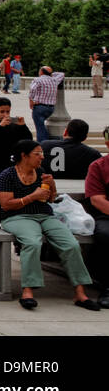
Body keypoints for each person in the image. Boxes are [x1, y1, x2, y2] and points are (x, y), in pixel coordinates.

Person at [0, 140, 100, 310]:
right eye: (37, 154)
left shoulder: (41, 172)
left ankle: (80, 292)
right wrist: (31, 197)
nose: (42, 157)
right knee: (32, 242)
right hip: (17, 217)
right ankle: (28, 290)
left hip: (44, 215)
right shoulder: (7, 175)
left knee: (71, 244)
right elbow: (6, 204)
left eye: (42, 153)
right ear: (24, 155)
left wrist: (52, 187)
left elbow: (50, 199)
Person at [82, 130, 109, 306]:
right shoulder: (98, 166)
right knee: (106, 235)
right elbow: (97, 200)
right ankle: (107, 286)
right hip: (106, 215)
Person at [27, 66, 66, 142]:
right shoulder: (54, 80)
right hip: (51, 108)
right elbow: (62, 74)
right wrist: (51, 74)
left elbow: (32, 89)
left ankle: (43, 144)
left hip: (39, 107)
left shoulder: (38, 80)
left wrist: (31, 101)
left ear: (41, 72)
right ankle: (45, 140)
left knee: (40, 128)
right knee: (41, 126)